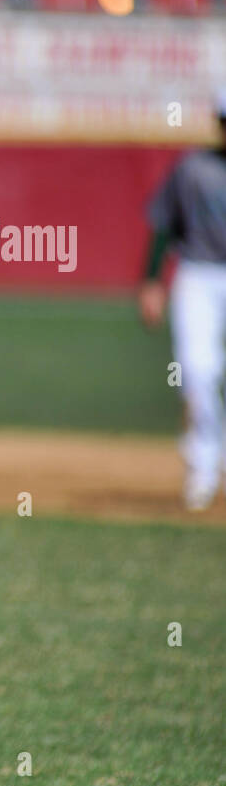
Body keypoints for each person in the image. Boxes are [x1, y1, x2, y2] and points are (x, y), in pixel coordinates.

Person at [139, 88, 226, 512]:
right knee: (197, 371)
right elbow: (163, 224)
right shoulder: (193, 168)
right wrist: (152, 282)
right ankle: (204, 467)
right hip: (198, 274)